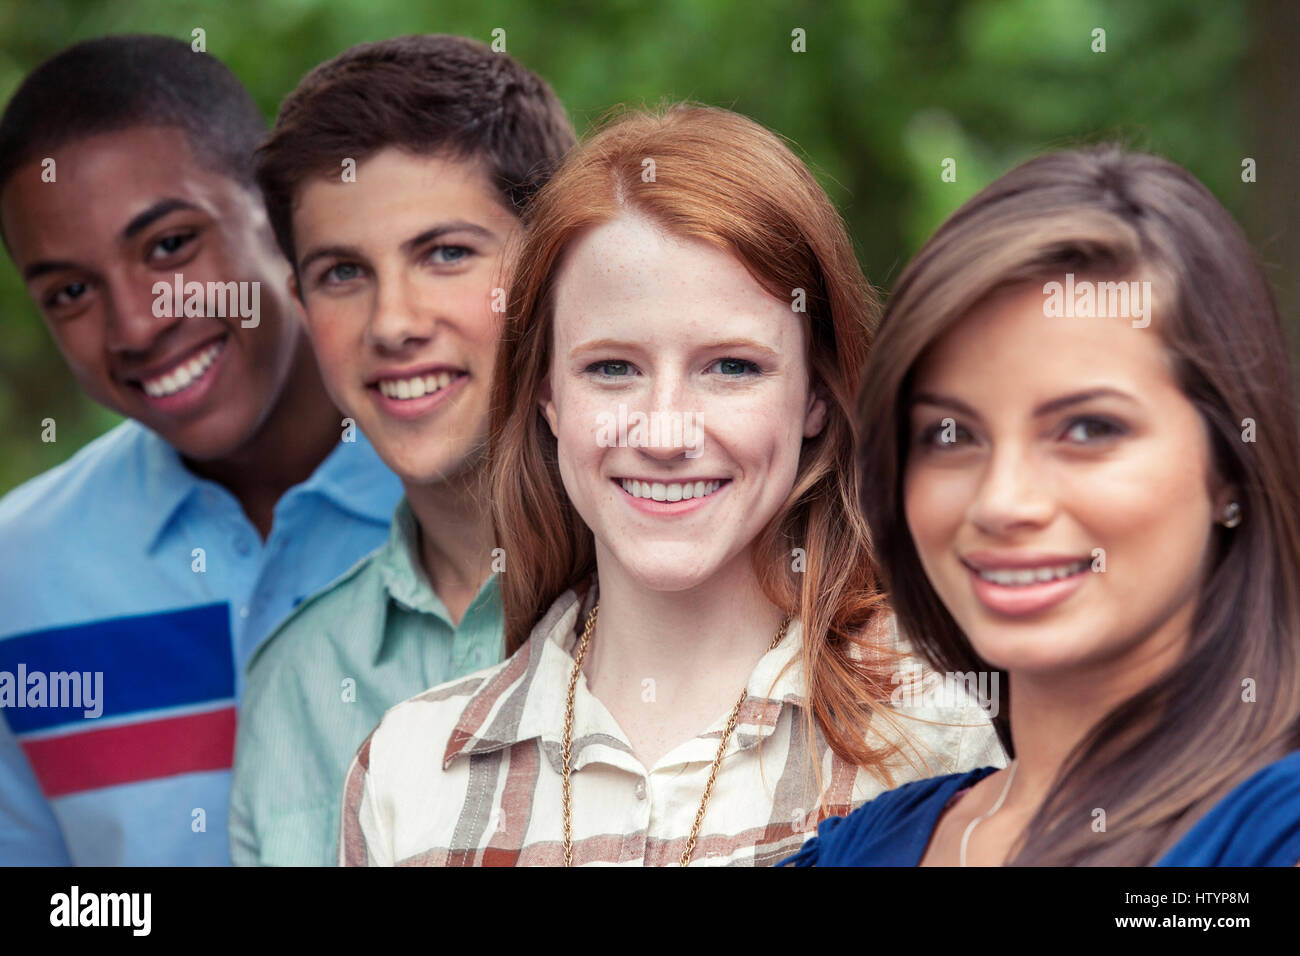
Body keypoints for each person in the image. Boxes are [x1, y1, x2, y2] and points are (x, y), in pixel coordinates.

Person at [339, 104, 1004, 867]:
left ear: (816, 394)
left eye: (731, 367)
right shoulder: (407, 773)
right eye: (612, 368)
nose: (663, 434)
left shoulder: (943, 730)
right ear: (547, 395)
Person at [782, 145, 1300, 867]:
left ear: (1230, 469)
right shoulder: (861, 847)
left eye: (1088, 429)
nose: (1002, 502)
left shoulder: (1274, 835)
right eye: (950, 434)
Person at [0, 35, 402, 865]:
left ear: (280, 210)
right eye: (71, 292)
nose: (139, 324)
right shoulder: (18, 580)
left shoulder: (504, 500)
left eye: (171, 245)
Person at [227, 35, 575, 866]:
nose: (393, 323)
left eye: (445, 254)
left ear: (556, 265)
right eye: (343, 273)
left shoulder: (695, 594)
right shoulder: (297, 683)